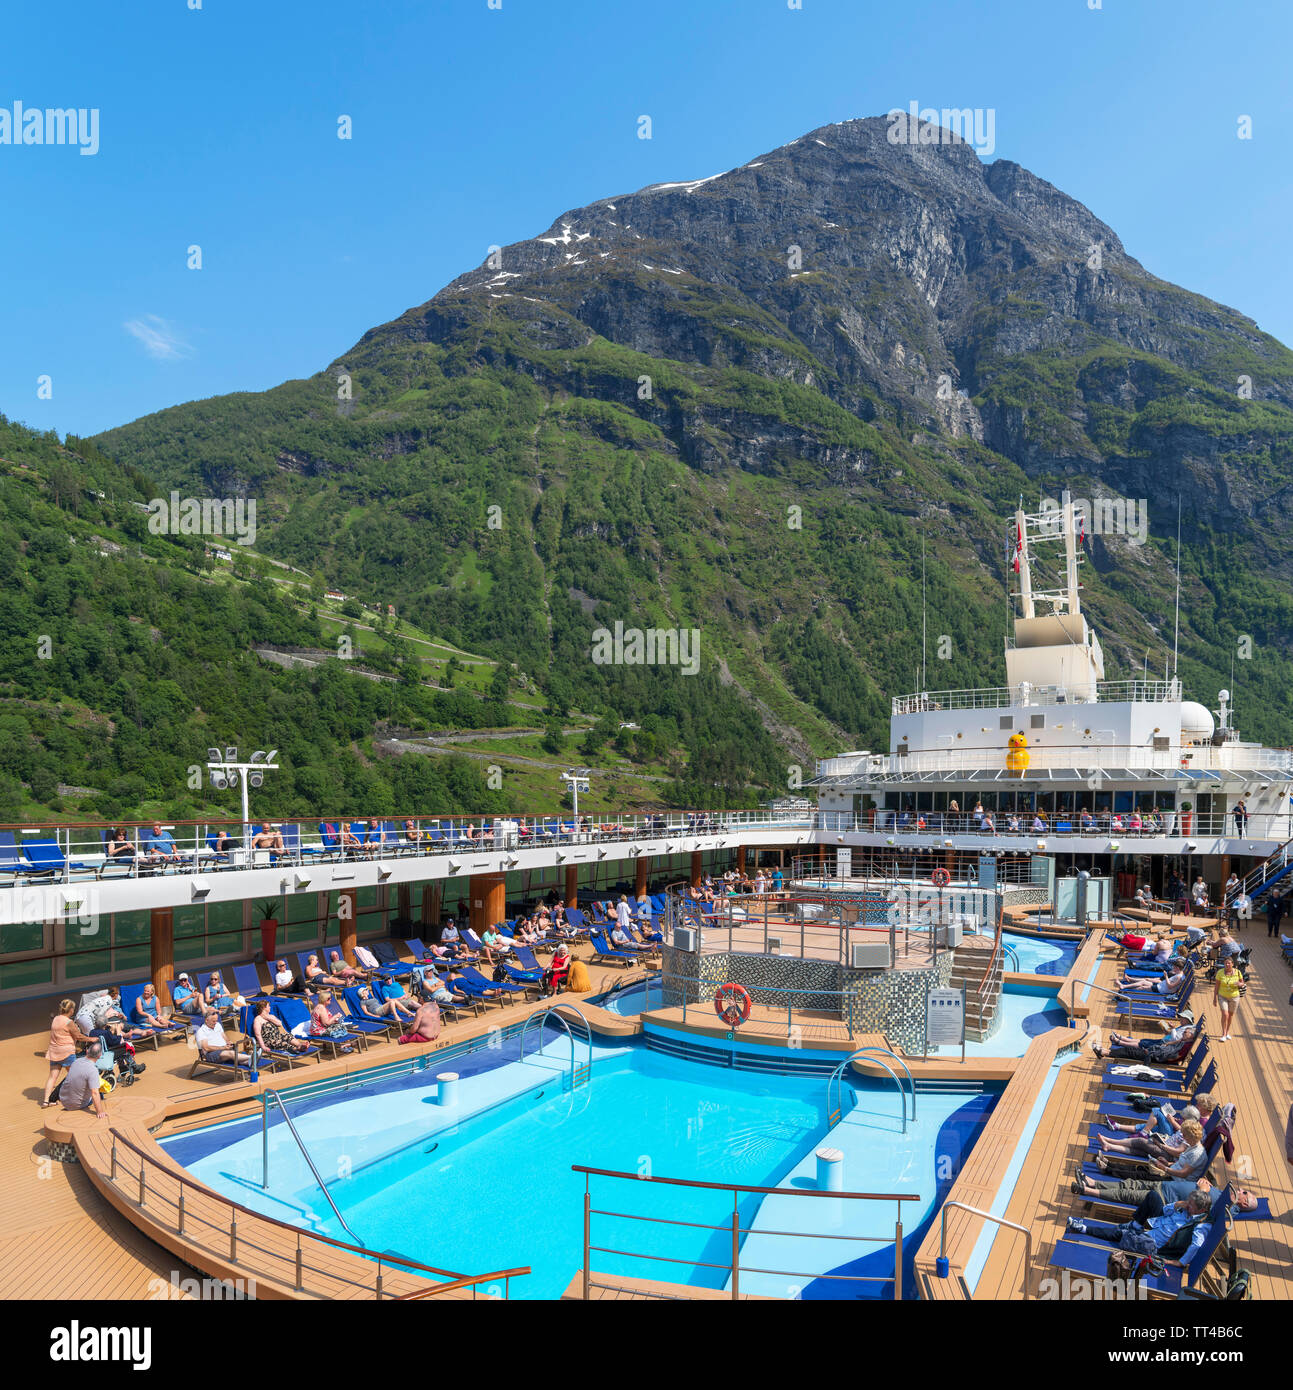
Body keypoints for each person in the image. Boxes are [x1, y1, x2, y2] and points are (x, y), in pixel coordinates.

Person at [1065, 1187, 1212, 1263]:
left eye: (1191, 1205)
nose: (1187, 1206)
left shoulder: (1199, 1225)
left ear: (1201, 1210)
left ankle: (1083, 1229)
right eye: (1188, 1202)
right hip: (1157, 1223)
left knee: (1120, 1234)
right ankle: (1136, 1224)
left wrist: (1179, 1263)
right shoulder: (1185, 1207)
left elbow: (1196, 1245)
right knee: (1153, 1196)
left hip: (1153, 1241)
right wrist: (1177, 1205)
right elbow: (1165, 1210)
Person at [1092, 1119, 1208, 1182]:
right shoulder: (1193, 1146)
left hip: (1173, 1179)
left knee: (1140, 1175)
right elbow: (1181, 1164)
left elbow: (1183, 1174)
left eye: (1185, 1135)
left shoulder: (1197, 1154)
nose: (1184, 1138)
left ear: (1191, 1136)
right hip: (1170, 1170)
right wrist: (1168, 1163)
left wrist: (1165, 1168)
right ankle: (1109, 1164)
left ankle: (1107, 1169)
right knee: (1140, 1168)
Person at [41, 999, 94, 1107]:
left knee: (52, 1077)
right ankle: (76, 1098)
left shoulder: (55, 1019)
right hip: (67, 1053)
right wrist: (92, 1039)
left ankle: (46, 1101)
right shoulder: (69, 1022)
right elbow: (79, 1036)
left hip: (54, 1052)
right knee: (75, 1076)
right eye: (73, 1009)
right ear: (70, 1010)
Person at [1091, 1019, 1199, 1063]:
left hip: (1157, 1056)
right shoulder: (1184, 1042)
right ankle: (1104, 1051)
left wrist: (1152, 1052)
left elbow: (1172, 1055)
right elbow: (1169, 1045)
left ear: (1191, 1036)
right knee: (1131, 1049)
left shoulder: (1184, 1046)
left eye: (1186, 1032)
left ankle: (1104, 1052)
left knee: (1130, 1051)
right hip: (1157, 1051)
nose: (1184, 1032)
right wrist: (1162, 1046)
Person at [58, 1040, 109, 1118]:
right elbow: (94, 1093)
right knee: (99, 1091)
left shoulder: (76, 1061)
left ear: (87, 1051)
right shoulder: (93, 1070)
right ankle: (99, 1104)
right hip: (76, 1104)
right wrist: (100, 1111)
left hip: (64, 1100)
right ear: (99, 1055)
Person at [1212, 955, 1243, 1042]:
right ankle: (1223, 1033)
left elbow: (1242, 983)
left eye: (1229, 963)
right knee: (1225, 1014)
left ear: (1232, 964)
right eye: (1226, 963)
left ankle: (1227, 1032)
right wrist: (1215, 998)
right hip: (1223, 996)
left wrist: (1239, 984)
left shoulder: (1238, 972)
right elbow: (1216, 986)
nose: (1227, 965)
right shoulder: (1220, 973)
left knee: (1230, 1015)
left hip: (1234, 997)